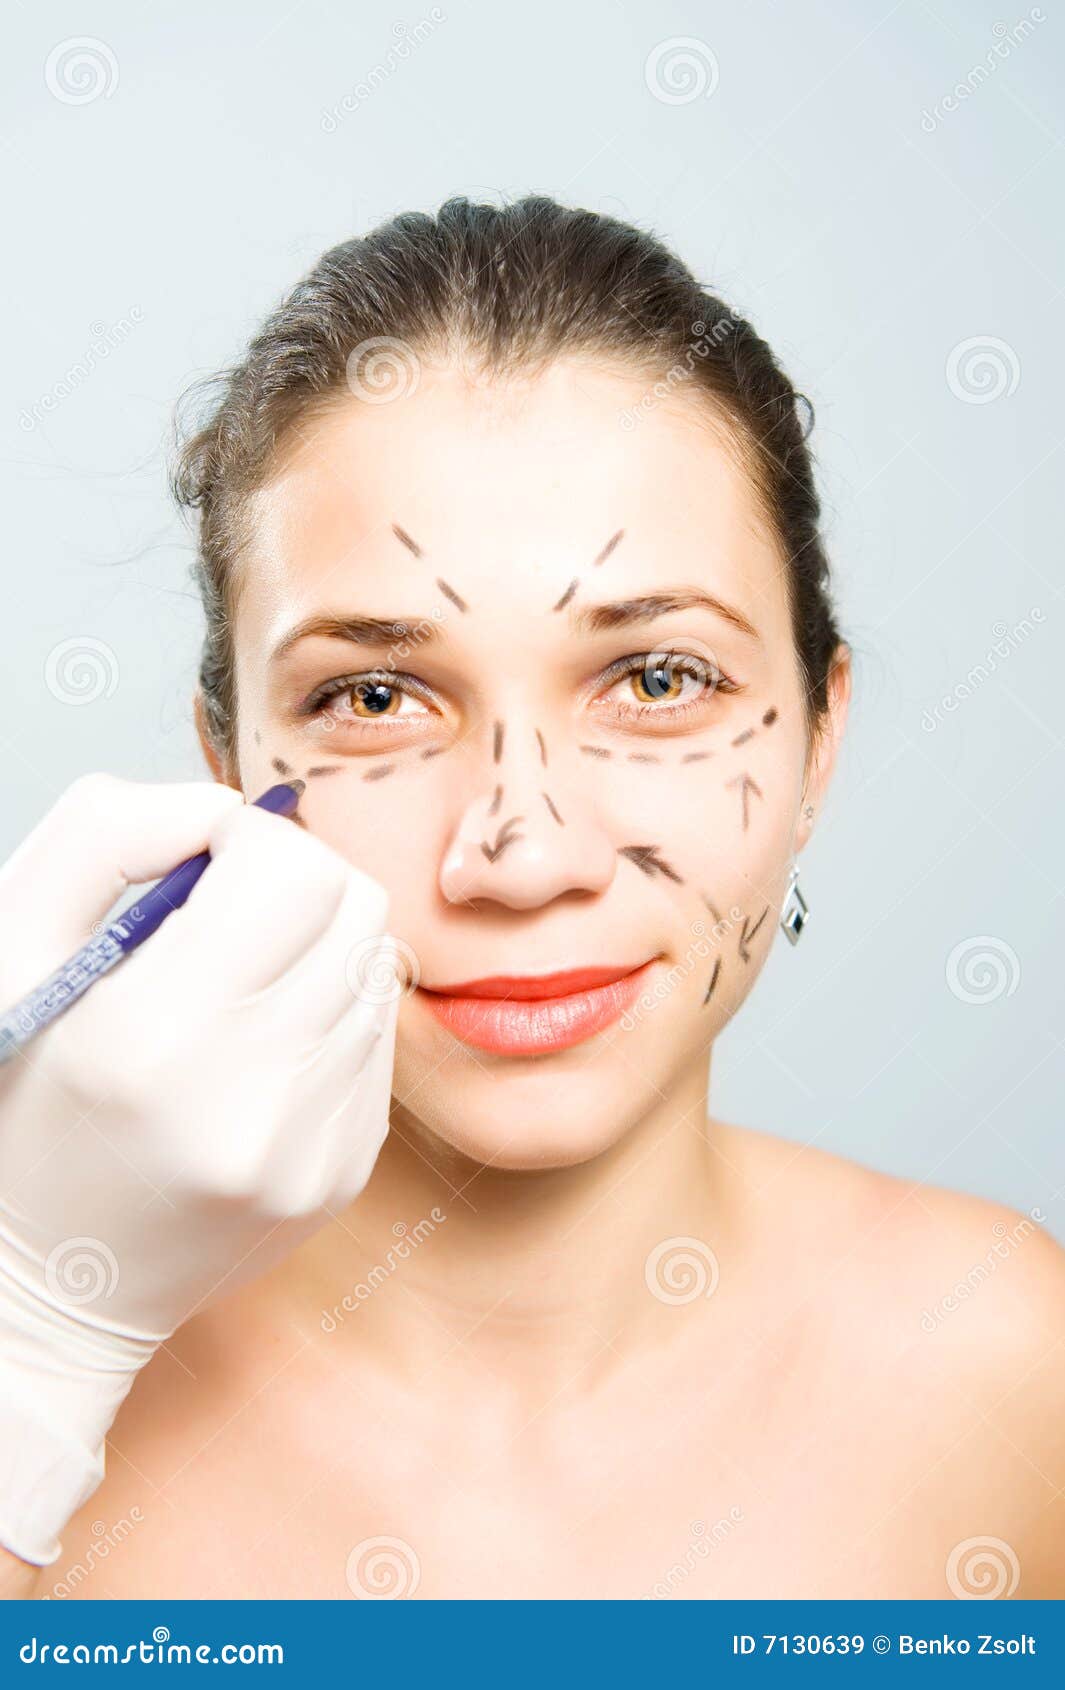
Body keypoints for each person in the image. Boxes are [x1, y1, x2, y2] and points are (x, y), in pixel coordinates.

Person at [1, 197, 1062, 1601]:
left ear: (816, 737)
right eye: (375, 696)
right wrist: (33, 1349)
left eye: (656, 679)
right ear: (225, 766)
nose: (520, 849)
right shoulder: (46, 1365)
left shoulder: (1006, 1356)